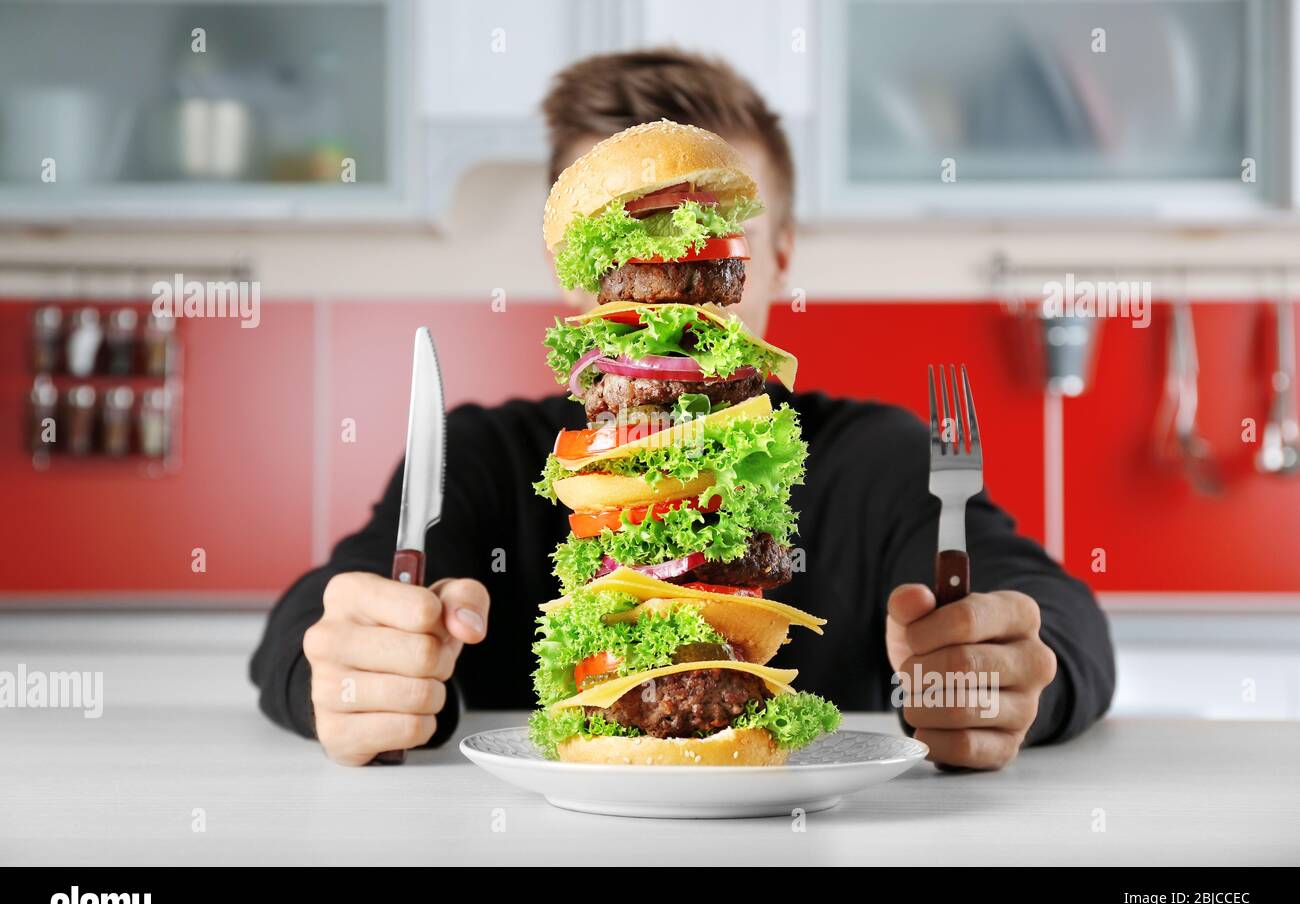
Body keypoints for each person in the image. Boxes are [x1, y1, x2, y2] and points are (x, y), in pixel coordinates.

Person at [251, 50, 1114, 769]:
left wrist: (1005, 680)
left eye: (712, 238)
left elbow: (1060, 621)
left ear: (774, 253)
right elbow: (310, 622)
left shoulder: (879, 459)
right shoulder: (477, 453)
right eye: (631, 240)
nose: (676, 274)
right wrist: (352, 671)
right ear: (578, 273)